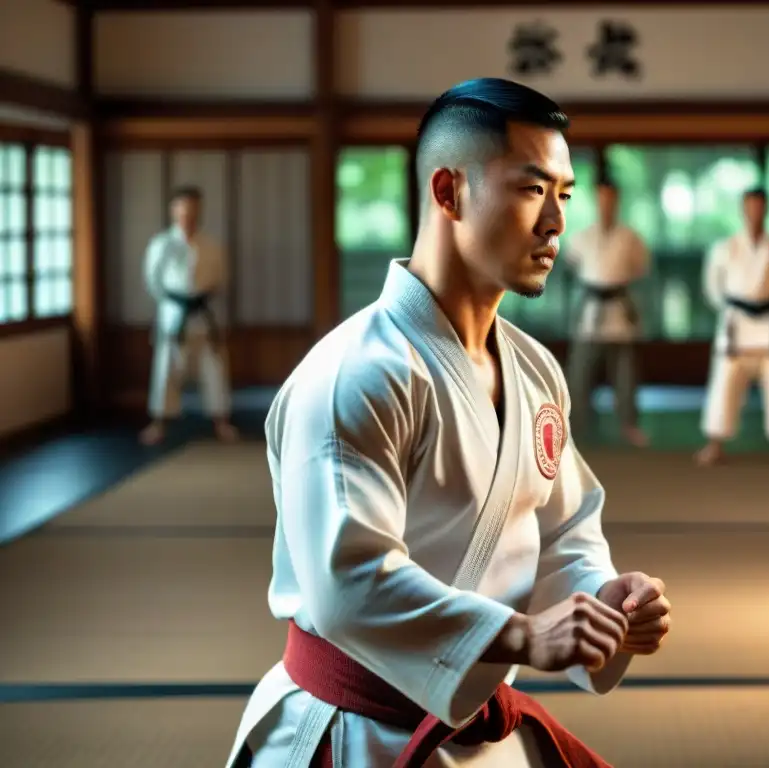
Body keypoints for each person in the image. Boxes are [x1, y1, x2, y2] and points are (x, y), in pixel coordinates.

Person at [225, 78, 672, 768]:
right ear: (448, 192)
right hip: (354, 731)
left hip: (481, 730)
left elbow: (560, 532)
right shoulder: (357, 371)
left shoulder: (535, 370)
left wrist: (602, 602)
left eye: (565, 195)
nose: (556, 221)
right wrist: (523, 636)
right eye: (532, 190)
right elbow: (350, 586)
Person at [695, 187, 769, 468]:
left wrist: (764, 302)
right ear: (743, 210)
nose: (755, 212)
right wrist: (736, 307)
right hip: (737, 325)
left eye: (760, 206)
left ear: (767, 210)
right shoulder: (725, 248)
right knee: (725, 384)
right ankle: (715, 443)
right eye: (751, 206)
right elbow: (712, 288)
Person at [138, 186, 237, 445]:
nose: (188, 217)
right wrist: (178, 302)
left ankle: (221, 421)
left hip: (205, 314)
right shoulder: (162, 244)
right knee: (167, 370)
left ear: (199, 212)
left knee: (214, 369)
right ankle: (159, 423)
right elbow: (152, 281)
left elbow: (221, 279)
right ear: (174, 211)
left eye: (193, 211)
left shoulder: (211, 245)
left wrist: (199, 298)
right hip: (174, 314)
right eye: (183, 211)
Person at [564, 179, 650, 447]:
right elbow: (571, 265)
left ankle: (629, 425)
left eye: (611, 198)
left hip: (619, 308)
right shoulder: (581, 237)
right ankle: (574, 427)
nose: (607, 204)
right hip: (591, 309)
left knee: (625, 374)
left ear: (617, 200)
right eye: (602, 199)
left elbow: (640, 269)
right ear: (596, 200)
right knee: (579, 373)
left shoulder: (631, 238)